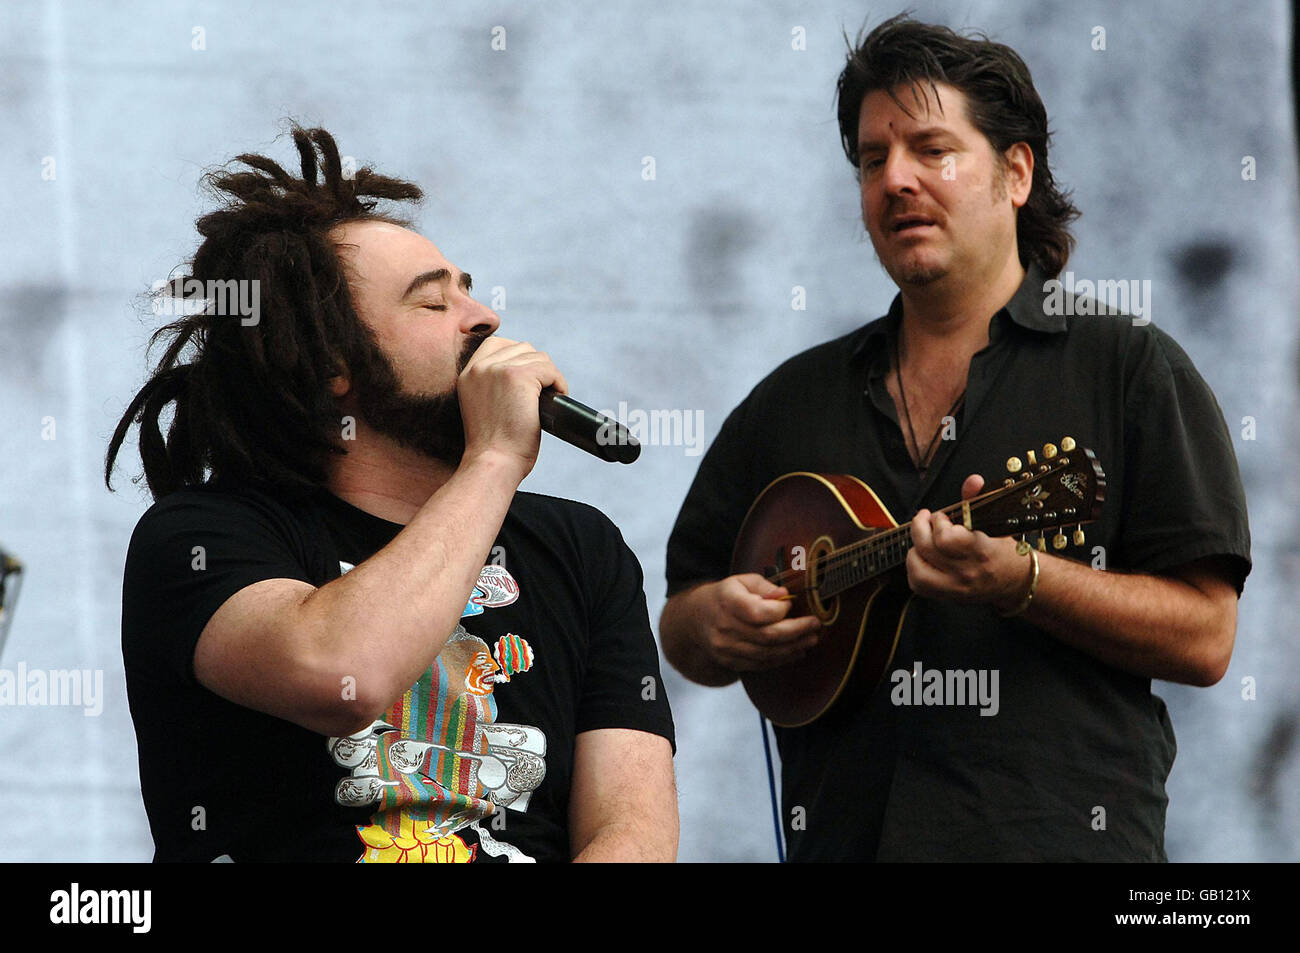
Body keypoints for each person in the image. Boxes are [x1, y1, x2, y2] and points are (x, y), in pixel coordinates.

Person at [661, 15, 1250, 861]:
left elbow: (1207, 637)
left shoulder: (1129, 369)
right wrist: (714, 622)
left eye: (932, 150)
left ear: (1016, 173)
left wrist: (1026, 581)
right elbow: (683, 617)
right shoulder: (791, 400)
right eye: (872, 160)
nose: (895, 179)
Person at [106, 126, 677, 863]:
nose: (484, 318)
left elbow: (632, 829)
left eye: (469, 290)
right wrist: (496, 455)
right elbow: (341, 675)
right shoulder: (203, 537)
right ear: (332, 363)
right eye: (433, 304)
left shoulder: (581, 548)